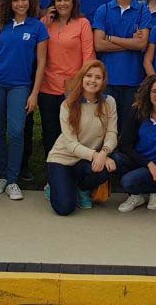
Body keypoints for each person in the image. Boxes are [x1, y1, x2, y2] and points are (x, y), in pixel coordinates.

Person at [0, 0, 49, 200]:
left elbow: (41, 62)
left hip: (20, 85)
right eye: (15, 0)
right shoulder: (1, 25)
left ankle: (13, 180)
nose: (20, 3)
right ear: (8, 3)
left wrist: (34, 93)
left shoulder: (38, 27)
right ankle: (2, 176)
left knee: (17, 131)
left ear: (31, 1)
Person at [45, 60, 119, 215]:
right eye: (89, 76)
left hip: (85, 161)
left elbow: (112, 133)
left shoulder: (109, 102)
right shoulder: (68, 105)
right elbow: (71, 144)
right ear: (82, 78)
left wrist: (104, 152)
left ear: (103, 81)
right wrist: (97, 155)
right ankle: (55, 185)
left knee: (107, 168)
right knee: (65, 208)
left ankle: (81, 188)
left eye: (98, 77)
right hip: (62, 159)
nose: (93, 80)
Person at [41, 0, 96, 170]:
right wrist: (45, 23)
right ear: (53, 4)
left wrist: (83, 85)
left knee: (74, 133)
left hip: (73, 88)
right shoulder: (46, 22)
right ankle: (53, 173)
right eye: (59, 0)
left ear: (73, 3)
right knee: (51, 132)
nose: (63, 3)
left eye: (66, 0)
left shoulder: (82, 23)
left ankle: (75, 172)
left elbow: (89, 57)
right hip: (47, 86)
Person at [93, 0, 150, 127]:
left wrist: (111, 38)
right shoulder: (103, 10)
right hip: (108, 79)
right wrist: (130, 43)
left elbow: (142, 43)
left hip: (133, 79)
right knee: (105, 125)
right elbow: (98, 44)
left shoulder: (142, 10)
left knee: (127, 127)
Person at [115, 74, 156, 213]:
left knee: (128, 181)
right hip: (142, 162)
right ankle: (136, 196)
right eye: (154, 91)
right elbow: (124, 145)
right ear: (147, 94)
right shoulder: (137, 111)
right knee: (116, 159)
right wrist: (149, 164)